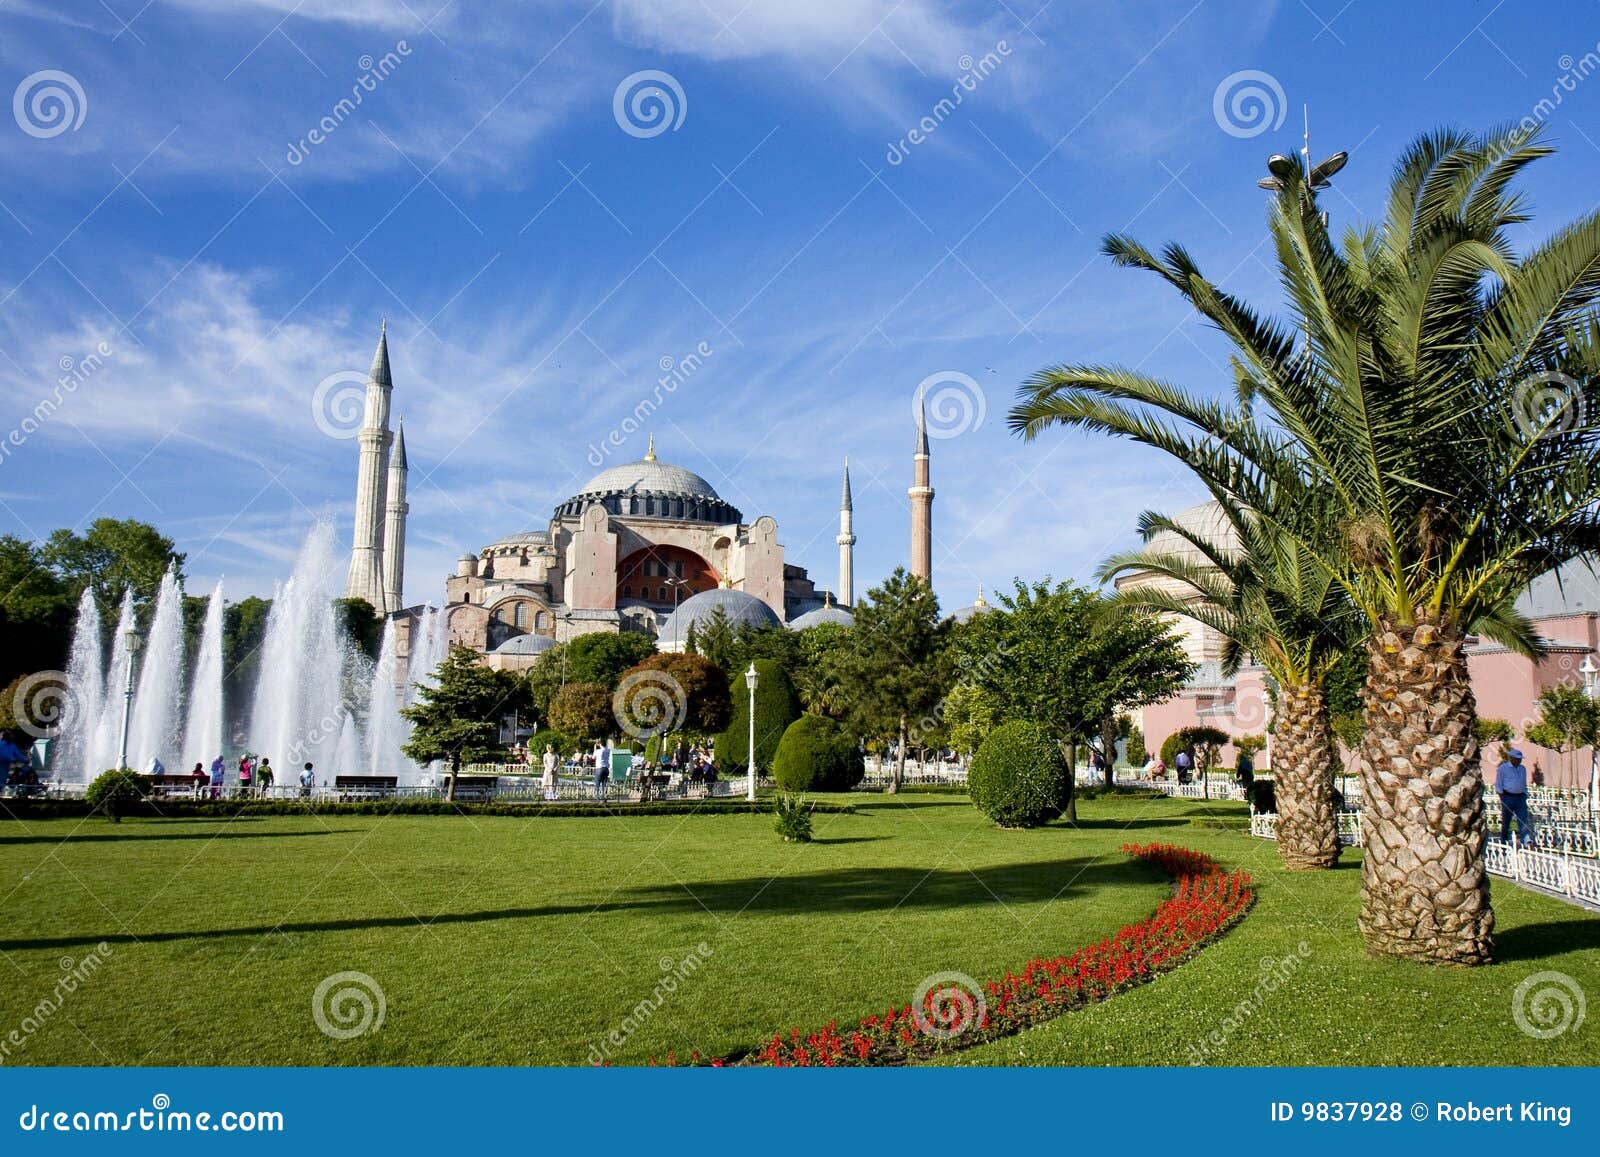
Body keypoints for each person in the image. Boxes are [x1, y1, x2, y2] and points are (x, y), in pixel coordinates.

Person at [1495, 748, 1536, 846]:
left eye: (1520, 759)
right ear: (1511, 758)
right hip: (1508, 796)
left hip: (1520, 797)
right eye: (1517, 758)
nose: (1519, 760)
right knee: (1506, 821)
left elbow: (1523, 782)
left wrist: (1524, 794)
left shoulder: (1522, 768)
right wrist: (1502, 798)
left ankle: (1526, 840)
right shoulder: (1503, 768)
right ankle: (1504, 840)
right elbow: (1499, 784)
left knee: (1523, 819)